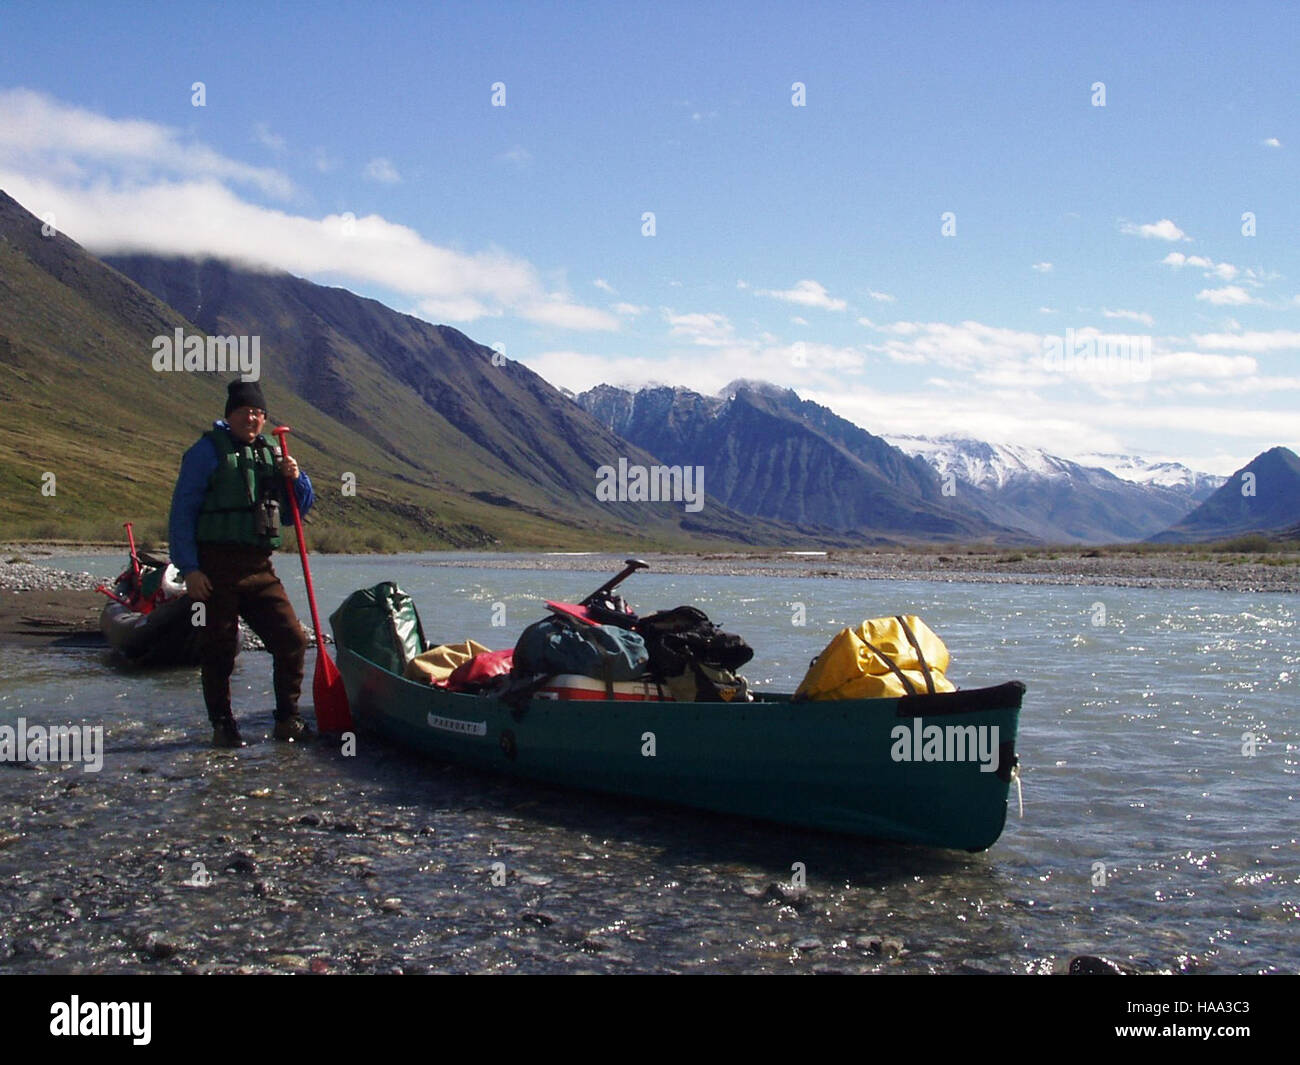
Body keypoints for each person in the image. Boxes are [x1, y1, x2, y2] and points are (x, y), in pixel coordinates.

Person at [168, 380, 315, 747]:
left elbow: (297, 511)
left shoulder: (272, 454)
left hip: (259, 568)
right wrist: (190, 569)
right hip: (214, 568)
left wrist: (297, 480)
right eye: (243, 411)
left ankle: (287, 720)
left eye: (257, 412)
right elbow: (182, 513)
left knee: (292, 639)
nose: (251, 418)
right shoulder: (205, 453)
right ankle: (223, 725)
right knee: (218, 649)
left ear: (264, 418)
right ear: (229, 415)